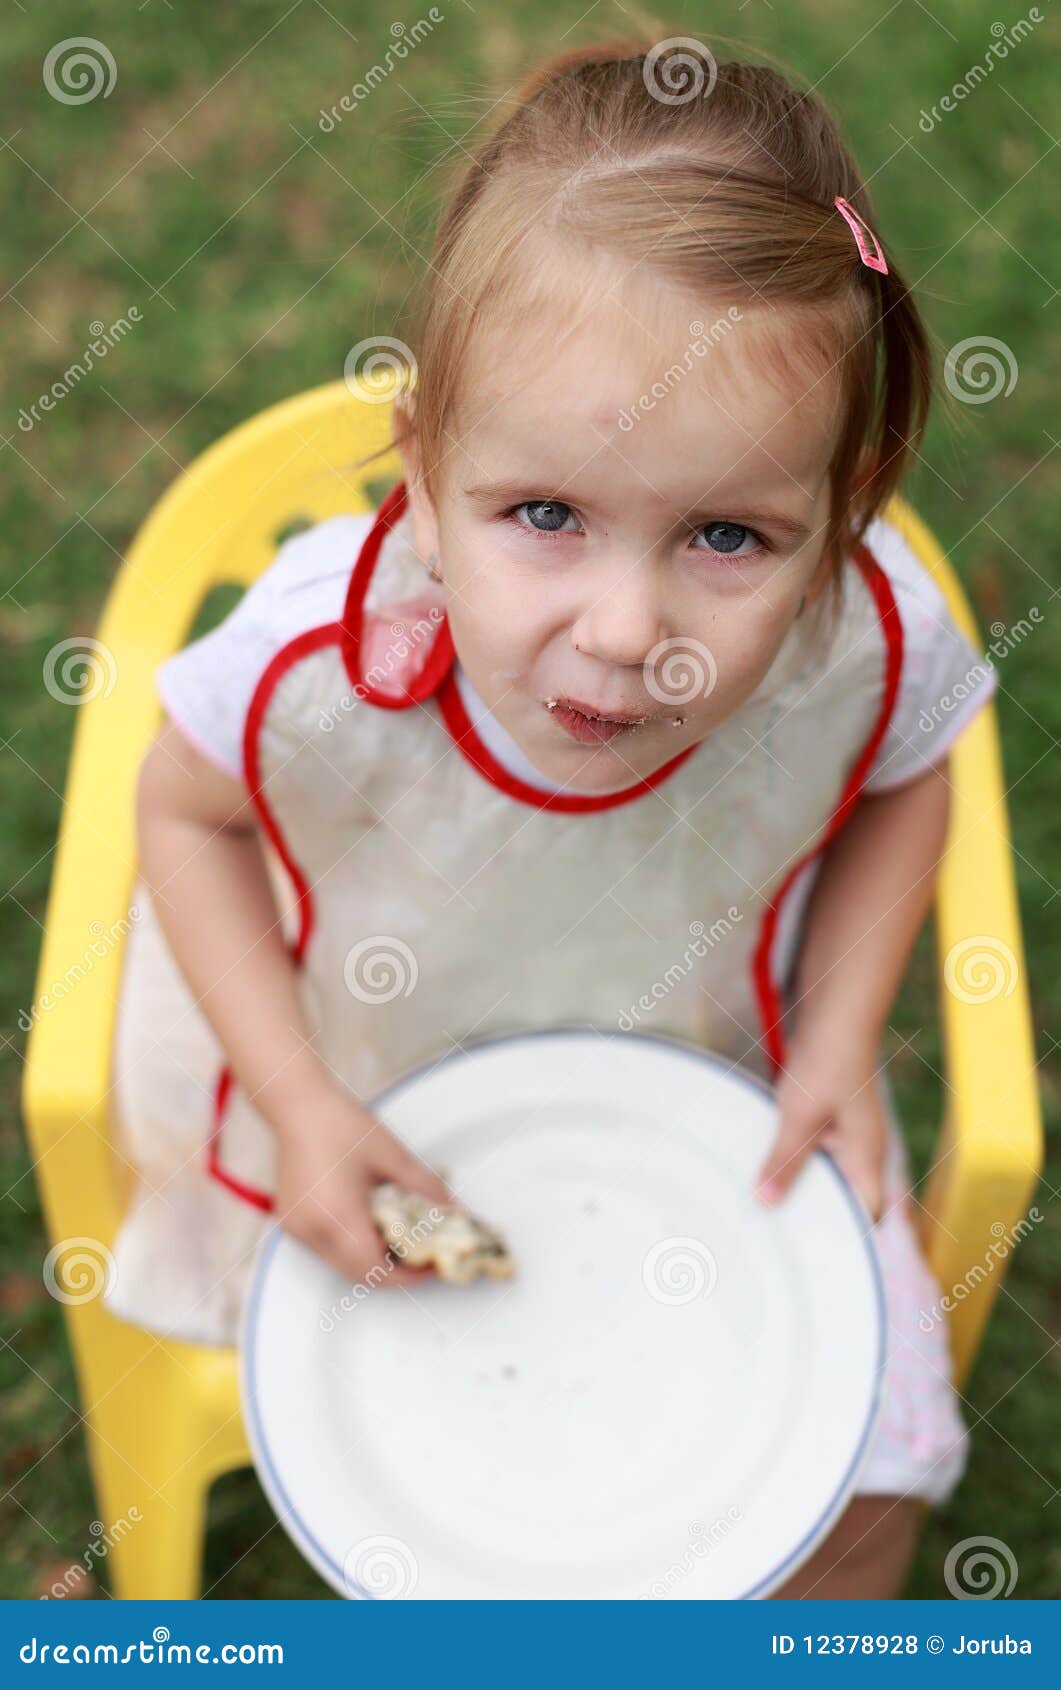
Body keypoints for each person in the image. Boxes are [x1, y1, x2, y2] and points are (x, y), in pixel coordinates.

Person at [107, 39, 1000, 1598]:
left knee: (859, 1476)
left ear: (841, 507)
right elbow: (180, 819)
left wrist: (840, 1029)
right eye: (543, 515)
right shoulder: (322, 665)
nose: (624, 628)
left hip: (705, 1099)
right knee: (479, 1505)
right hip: (372, 1099)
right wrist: (300, 1100)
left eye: (727, 534)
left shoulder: (862, 634)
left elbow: (910, 773)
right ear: (422, 472)